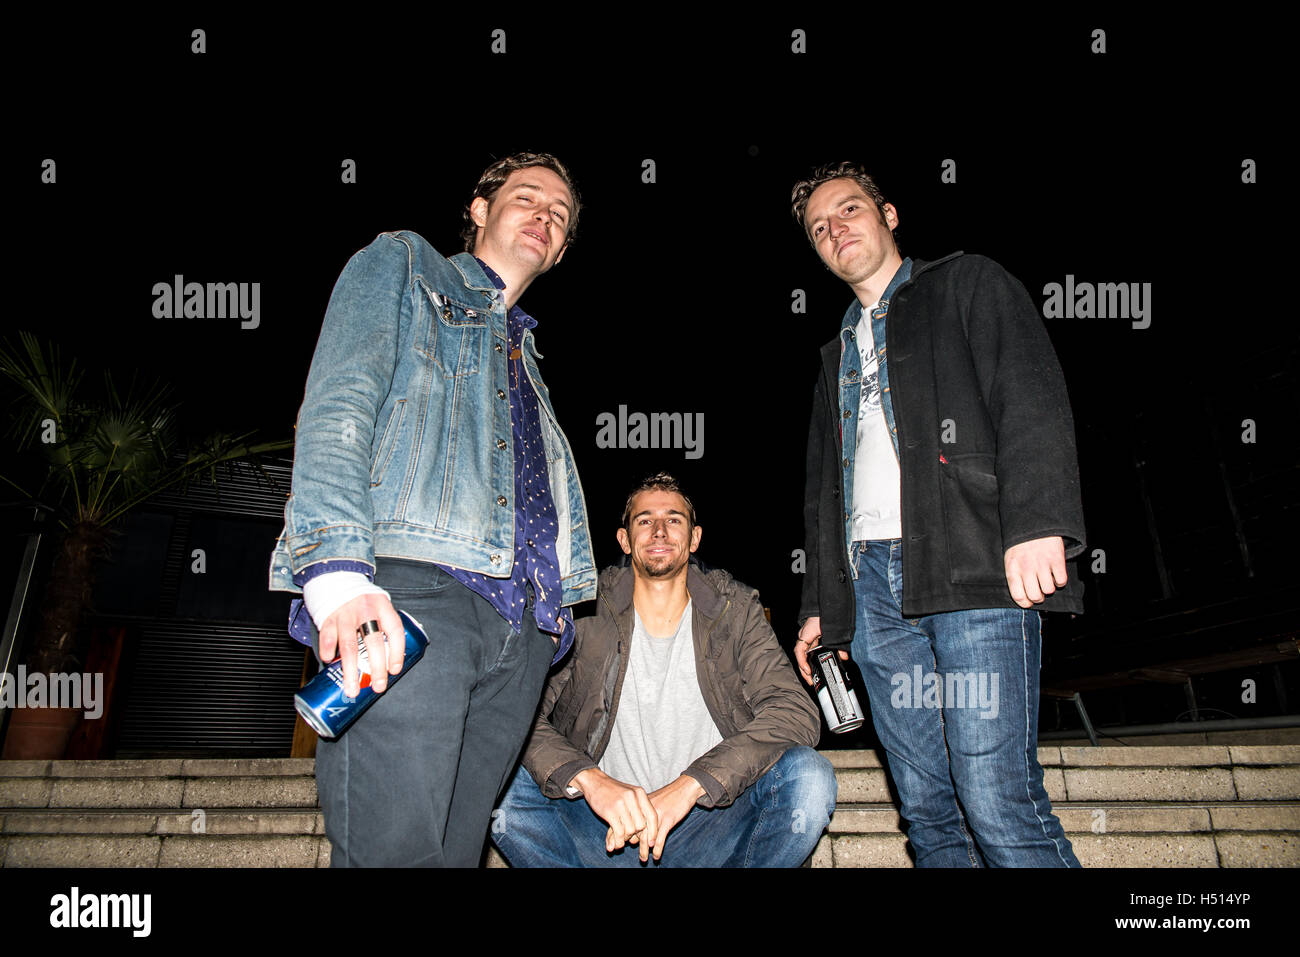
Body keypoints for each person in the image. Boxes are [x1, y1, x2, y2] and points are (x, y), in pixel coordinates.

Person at [268, 152, 596, 867]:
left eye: (560, 216)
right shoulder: (406, 264)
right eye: (527, 197)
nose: (545, 215)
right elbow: (338, 405)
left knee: (453, 854)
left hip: (522, 632)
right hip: (415, 597)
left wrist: (553, 622)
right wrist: (337, 576)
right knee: (397, 852)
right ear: (479, 209)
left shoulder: (525, 358)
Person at [790, 162, 1084, 867]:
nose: (836, 230)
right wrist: (820, 603)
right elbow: (822, 492)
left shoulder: (966, 283)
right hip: (873, 593)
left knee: (995, 796)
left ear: (889, 215)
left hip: (972, 569)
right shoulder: (836, 354)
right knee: (928, 809)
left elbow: (1029, 391)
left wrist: (1039, 520)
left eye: (850, 210)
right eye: (819, 228)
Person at [491, 473, 837, 867]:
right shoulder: (584, 610)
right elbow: (518, 712)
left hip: (708, 828)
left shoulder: (735, 609)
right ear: (624, 539)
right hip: (604, 832)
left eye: (673, 520)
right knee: (499, 780)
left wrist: (691, 786)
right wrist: (590, 780)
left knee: (808, 778)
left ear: (694, 538)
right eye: (644, 520)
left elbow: (795, 712)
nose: (659, 531)